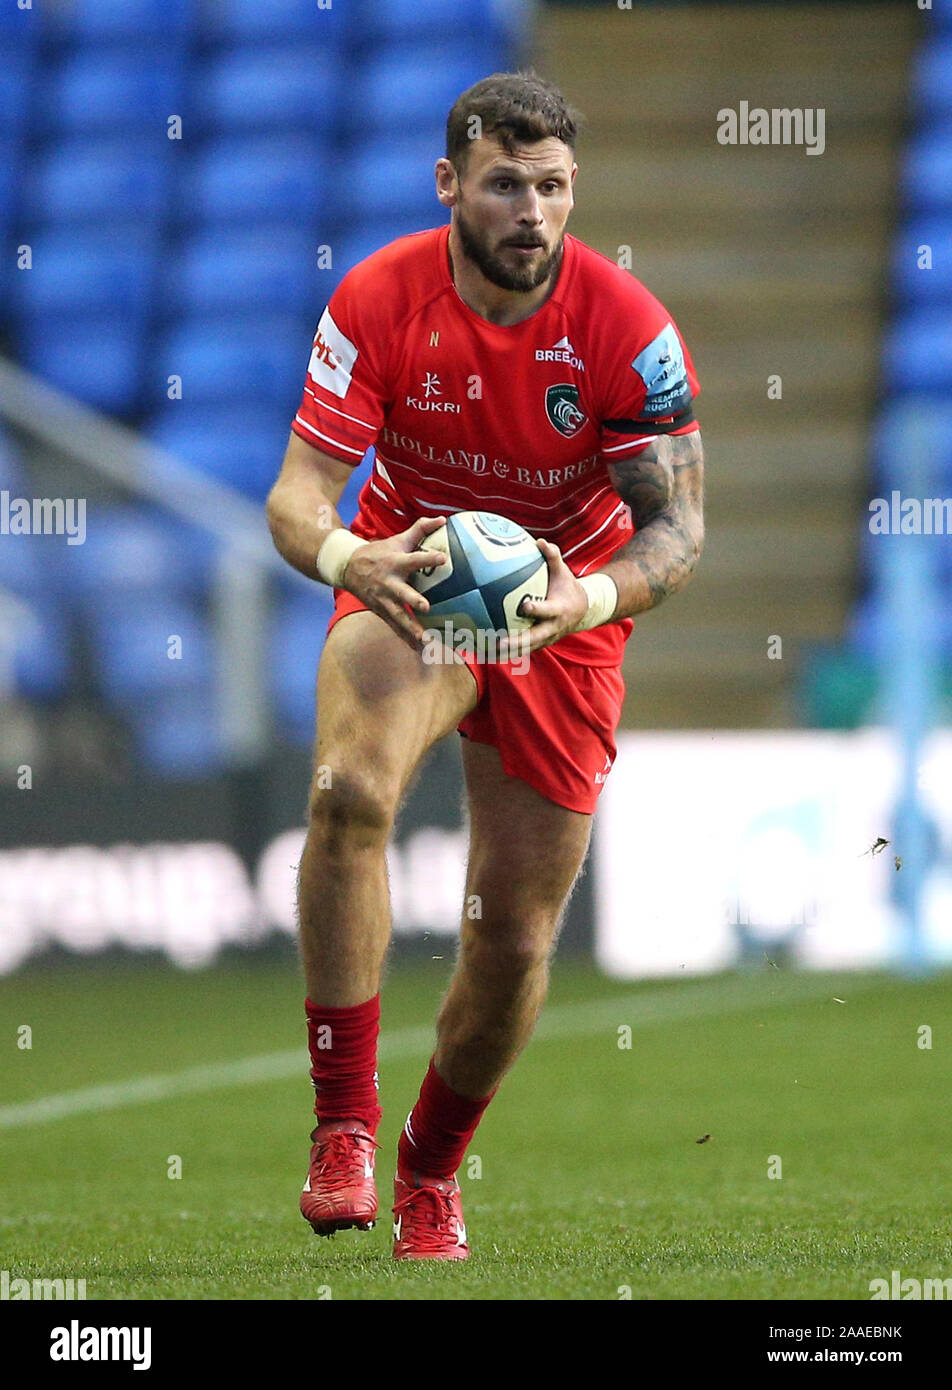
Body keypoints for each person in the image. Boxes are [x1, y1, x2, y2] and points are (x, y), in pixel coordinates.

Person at [265, 71, 704, 1261]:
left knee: (511, 937)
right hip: (416, 575)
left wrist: (588, 600)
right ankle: (342, 1128)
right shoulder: (377, 299)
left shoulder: (627, 330)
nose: (532, 210)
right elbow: (298, 501)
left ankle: (429, 1169)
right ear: (450, 182)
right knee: (348, 793)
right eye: (505, 183)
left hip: (563, 611)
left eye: (554, 187)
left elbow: (678, 529)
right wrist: (354, 556)